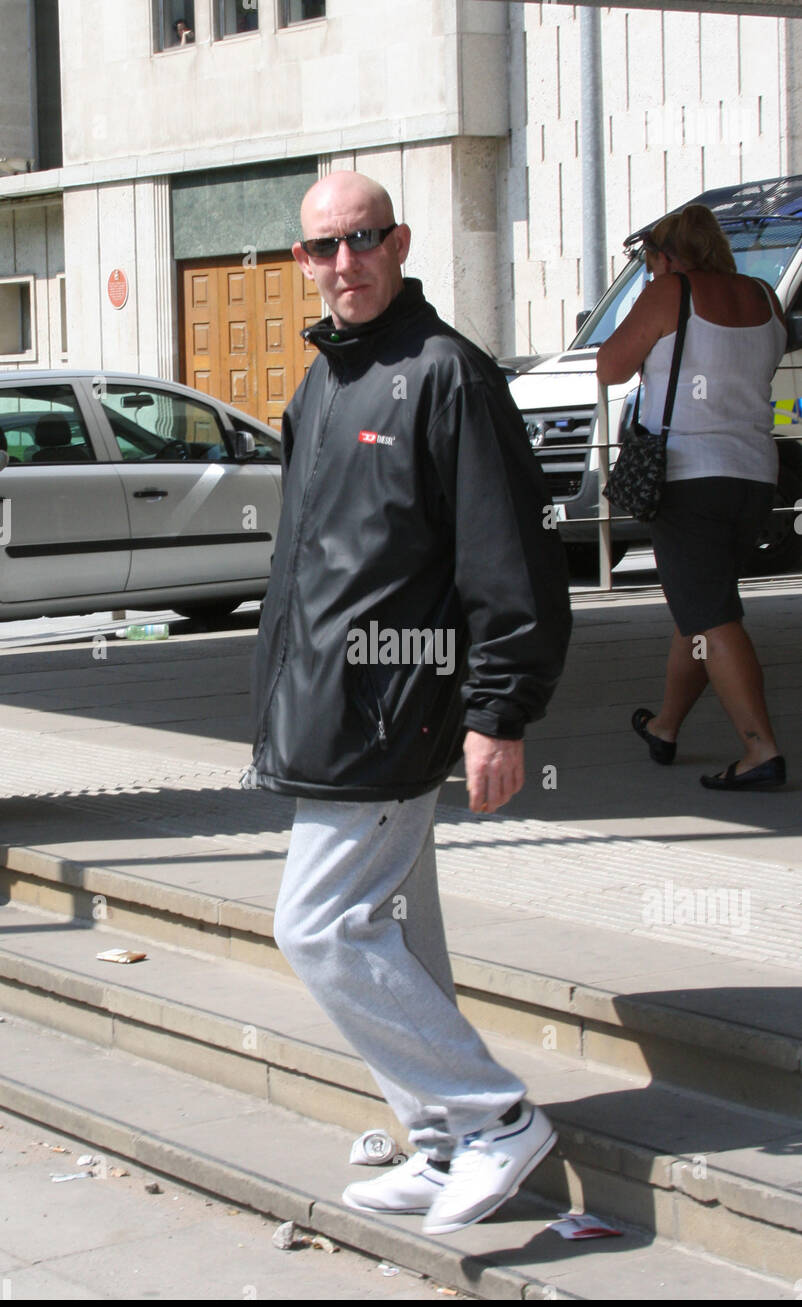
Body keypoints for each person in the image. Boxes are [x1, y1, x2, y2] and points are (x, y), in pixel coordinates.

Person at [244, 171, 572, 1234]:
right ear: (301, 259)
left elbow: (507, 556)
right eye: (322, 248)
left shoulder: (446, 376)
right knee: (392, 928)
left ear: (401, 242)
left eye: (364, 240)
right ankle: (438, 1142)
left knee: (318, 925)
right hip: (328, 706)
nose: (344, 264)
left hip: (393, 708)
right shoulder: (323, 383)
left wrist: (498, 709)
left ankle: (493, 1119)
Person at [597, 203, 787, 791]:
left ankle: (760, 751)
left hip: (689, 478)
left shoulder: (669, 292)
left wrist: (650, 295)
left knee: (711, 615)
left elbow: (609, 368)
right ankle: (666, 726)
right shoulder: (763, 295)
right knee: (699, 607)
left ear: (666, 255)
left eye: (651, 260)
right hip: (755, 474)